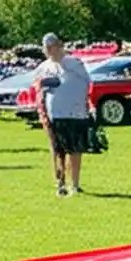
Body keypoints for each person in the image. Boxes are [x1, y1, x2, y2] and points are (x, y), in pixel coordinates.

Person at [34, 33, 92, 197]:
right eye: (46, 48)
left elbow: (87, 83)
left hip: (76, 112)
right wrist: (42, 112)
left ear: (59, 46)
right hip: (55, 114)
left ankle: (75, 184)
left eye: (52, 46)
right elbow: (38, 90)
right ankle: (60, 183)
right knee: (58, 150)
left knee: (75, 150)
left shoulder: (74, 63)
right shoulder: (44, 67)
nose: (49, 51)